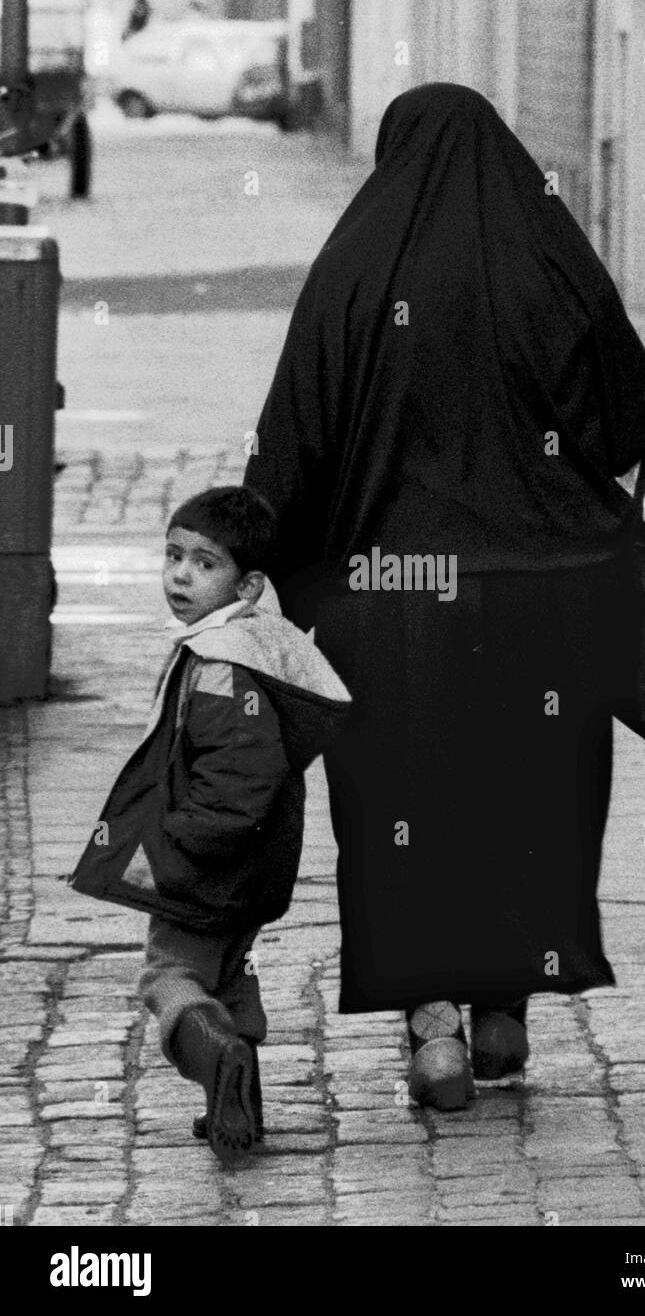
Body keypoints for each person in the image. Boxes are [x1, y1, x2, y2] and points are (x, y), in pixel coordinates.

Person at [244, 83, 645, 1110]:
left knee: (403, 804)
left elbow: (294, 438)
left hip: (388, 604)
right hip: (544, 600)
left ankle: (430, 1021)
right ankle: (501, 1002)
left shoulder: (355, 268)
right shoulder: (550, 261)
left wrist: (266, 557)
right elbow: (627, 417)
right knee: (529, 800)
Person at [69, 487, 351, 1160]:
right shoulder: (240, 646)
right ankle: (238, 1108)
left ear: (248, 585)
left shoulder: (225, 666)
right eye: (173, 557)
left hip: (208, 863)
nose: (180, 575)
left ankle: (214, 1055)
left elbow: (240, 775)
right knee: (229, 976)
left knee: (168, 977)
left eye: (204, 564)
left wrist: (179, 841)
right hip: (251, 869)